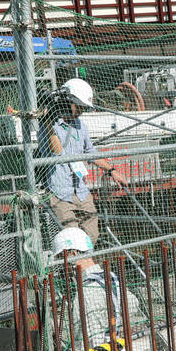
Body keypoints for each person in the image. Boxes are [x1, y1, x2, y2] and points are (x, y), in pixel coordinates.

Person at [40, 78, 116, 282]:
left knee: (91, 232)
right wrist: (47, 120)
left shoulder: (81, 126)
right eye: (79, 106)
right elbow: (57, 151)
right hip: (60, 192)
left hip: (80, 190)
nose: (81, 110)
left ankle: (86, 271)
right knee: (71, 238)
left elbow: (90, 152)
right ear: (67, 101)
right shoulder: (49, 125)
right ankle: (77, 280)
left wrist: (112, 169)